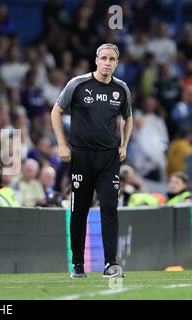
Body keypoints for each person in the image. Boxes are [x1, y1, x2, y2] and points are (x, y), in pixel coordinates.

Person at [51, 43, 133, 278]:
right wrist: (62, 144)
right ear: (96, 60)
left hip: (108, 158)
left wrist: (125, 144)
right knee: (80, 211)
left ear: (117, 63)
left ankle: (110, 264)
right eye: (104, 58)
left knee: (109, 207)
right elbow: (56, 111)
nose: (107, 62)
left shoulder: (121, 89)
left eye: (112, 59)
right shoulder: (78, 84)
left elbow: (128, 117)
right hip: (81, 156)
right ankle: (78, 264)